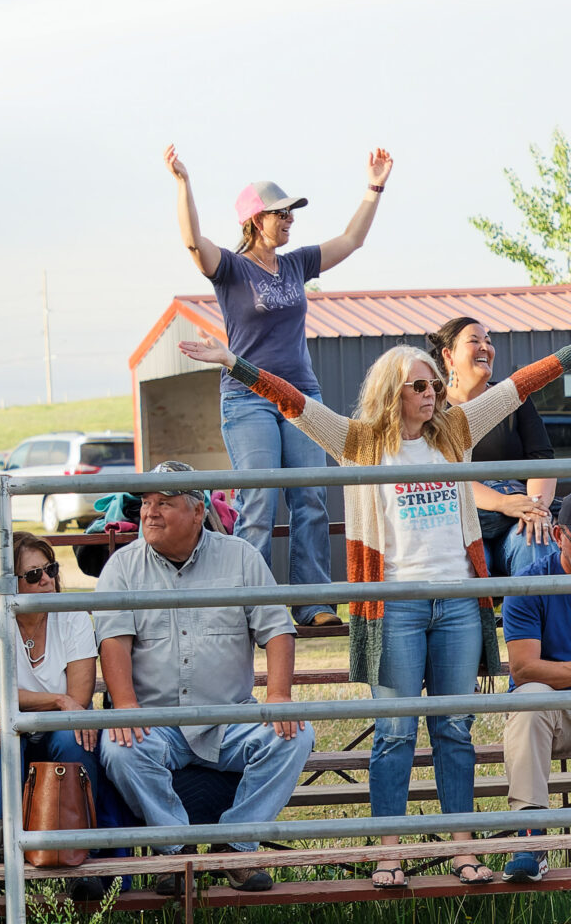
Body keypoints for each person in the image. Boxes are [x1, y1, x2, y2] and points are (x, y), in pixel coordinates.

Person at [178, 332, 571, 887]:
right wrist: (232, 364)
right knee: (394, 733)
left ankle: (463, 849)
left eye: (434, 383)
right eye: (419, 385)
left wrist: (567, 356)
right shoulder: (359, 441)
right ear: (393, 392)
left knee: (454, 730)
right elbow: (293, 402)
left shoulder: (455, 430)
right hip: (394, 608)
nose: (432, 392)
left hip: (458, 603)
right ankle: (388, 854)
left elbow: (515, 387)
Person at [163, 144, 394, 627]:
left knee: (310, 496)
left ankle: (313, 604)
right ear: (255, 220)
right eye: (281, 213)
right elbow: (192, 241)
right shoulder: (230, 267)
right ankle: (255, 605)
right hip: (248, 397)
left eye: (291, 213)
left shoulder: (296, 264)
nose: (290, 220)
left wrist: (375, 186)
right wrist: (183, 184)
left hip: (301, 397)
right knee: (261, 500)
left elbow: (351, 240)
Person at [95, 461, 314, 896]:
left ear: (198, 512)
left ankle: (235, 846)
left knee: (295, 736)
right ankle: (173, 852)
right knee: (119, 752)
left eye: (165, 503)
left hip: (229, 718)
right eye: (146, 503)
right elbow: (113, 643)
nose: (150, 512)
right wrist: (125, 706)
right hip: (155, 720)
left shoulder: (240, 557)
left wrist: (278, 695)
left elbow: (277, 629)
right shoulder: (122, 567)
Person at [0, 531, 123, 903]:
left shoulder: (72, 616)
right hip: (2, 717)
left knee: (74, 735)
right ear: (8, 584)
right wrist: (53, 700)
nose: (47, 579)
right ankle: (1, 852)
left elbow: (79, 699)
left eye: (49, 569)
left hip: (53, 724)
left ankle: (76, 852)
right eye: (33, 575)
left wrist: (45, 707)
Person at [430, 317, 557, 576]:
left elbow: (541, 458)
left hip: (517, 517)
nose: (485, 347)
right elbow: (440, 474)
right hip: (464, 522)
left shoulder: (513, 398)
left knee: (535, 539)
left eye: (488, 341)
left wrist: (535, 508)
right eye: (474, 341)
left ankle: (528, 618)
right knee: (460, 557)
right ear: (448, 354)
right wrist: (502, 502)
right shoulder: (432, 408)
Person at [501, 499, 571, 883]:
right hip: (553, 712)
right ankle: (531, 838)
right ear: (559, 536)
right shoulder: (530, 582)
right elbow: (525, 668)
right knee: (529, 701)